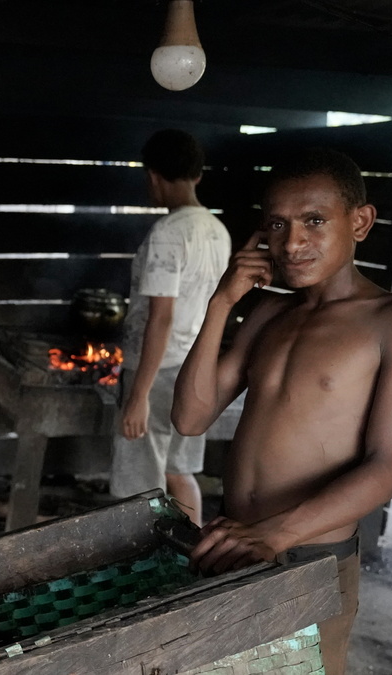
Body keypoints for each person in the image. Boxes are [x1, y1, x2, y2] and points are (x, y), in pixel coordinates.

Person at [173, 148, 392, 674]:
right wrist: (221, 304)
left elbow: (389, 463)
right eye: (277, 224)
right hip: (236, 545)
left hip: (308, 558)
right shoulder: (269, 310)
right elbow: (189, 417)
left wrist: (278, 534)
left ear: (360, 221)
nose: (292, 243)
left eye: (314, 221)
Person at [108, 129, 231, 526]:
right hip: (193, 370)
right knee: (180, 473)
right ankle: (193, 562)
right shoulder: (217, 231)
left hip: (157, 373)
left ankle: (141, 569)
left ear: (153, 176)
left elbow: (161, 318)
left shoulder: (168, 234)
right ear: (197, 174)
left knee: (138, 486)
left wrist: (138, 395)